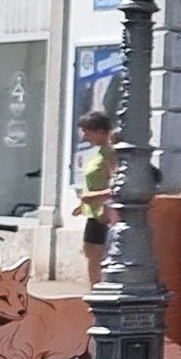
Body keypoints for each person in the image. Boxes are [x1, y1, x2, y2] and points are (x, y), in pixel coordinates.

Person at [75, 108, 114, 284]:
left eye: (87, 132)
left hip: (104, 213)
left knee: (96, 255)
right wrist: (82, 205)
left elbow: (118, 186)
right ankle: (95, 289)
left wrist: (92, 197)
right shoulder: (100, 152)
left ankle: (98, 289)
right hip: (93, 212)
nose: (85, 137)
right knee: (90, 251)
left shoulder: (111, 154)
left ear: (100, 131)